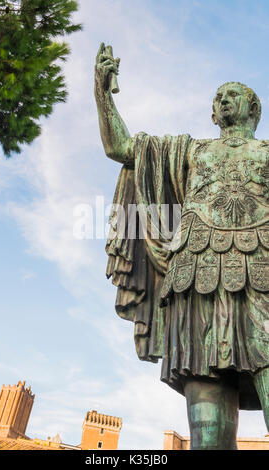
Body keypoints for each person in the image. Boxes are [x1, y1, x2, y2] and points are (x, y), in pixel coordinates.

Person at [94, 43, 269, 450]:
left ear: (252, 108)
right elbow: (121, 148)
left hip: (261, 276)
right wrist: (102, 96)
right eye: (217, 97)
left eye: (232, 94)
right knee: (207, 435)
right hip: (195, 282)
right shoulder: (189, 150)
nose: (223, 100)